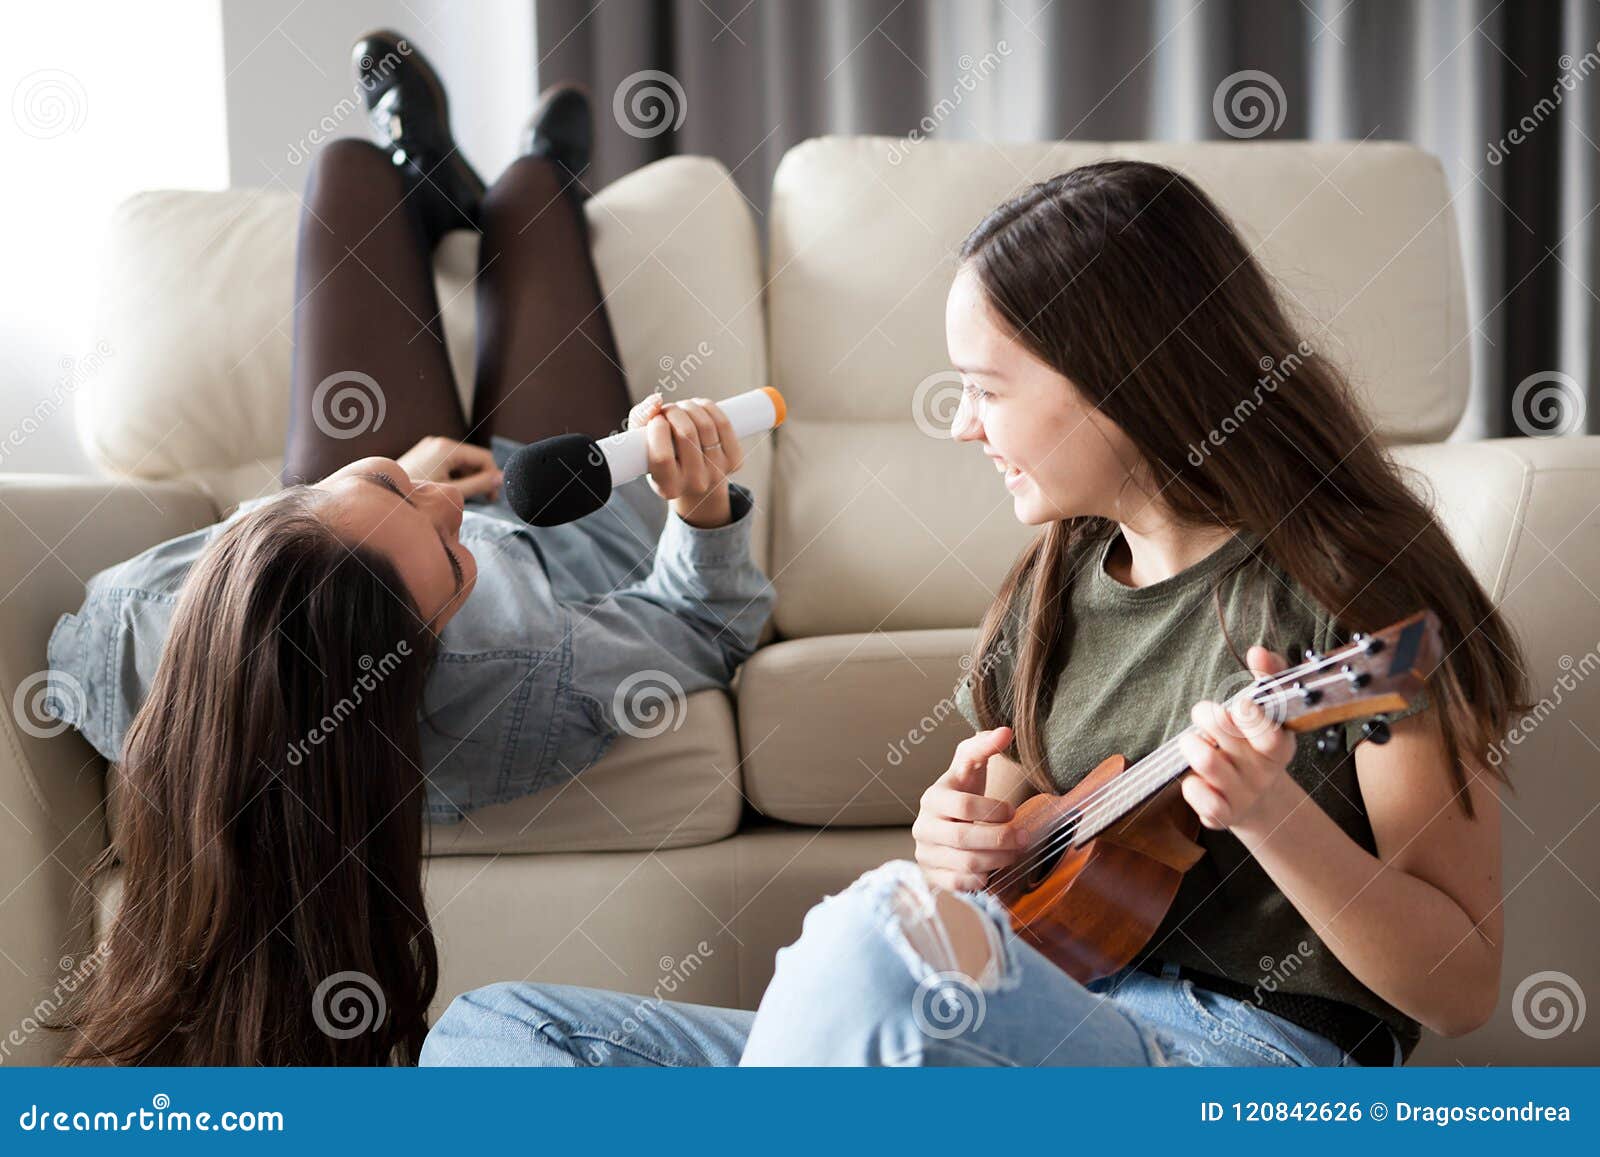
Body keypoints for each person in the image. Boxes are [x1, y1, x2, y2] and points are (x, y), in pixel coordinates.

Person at [420, 160, 1530, 1068]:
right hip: (1029, 1022)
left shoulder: (1357, 592)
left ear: (1123, 378)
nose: (960, 425)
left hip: (1240, 1059)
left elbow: (1461, 985)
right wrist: (954, 846)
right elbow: (1003, 875)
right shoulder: (1054, 585)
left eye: (987, 388)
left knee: (872, 945)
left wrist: (1273, 815)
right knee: (499, 1031)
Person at [44, 32, 773, 1065]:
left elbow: (319, 543)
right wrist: (699, 504)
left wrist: (384, 484)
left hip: (334, 513)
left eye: (394, 494)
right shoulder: (514, 675)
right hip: (559, 521)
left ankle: (422, 177)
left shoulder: (122, 634)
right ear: (429, 642)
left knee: (346, 169)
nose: (445, 504)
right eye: (451, 561)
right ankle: (540, 176)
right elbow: (704, 623)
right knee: (531, 204)